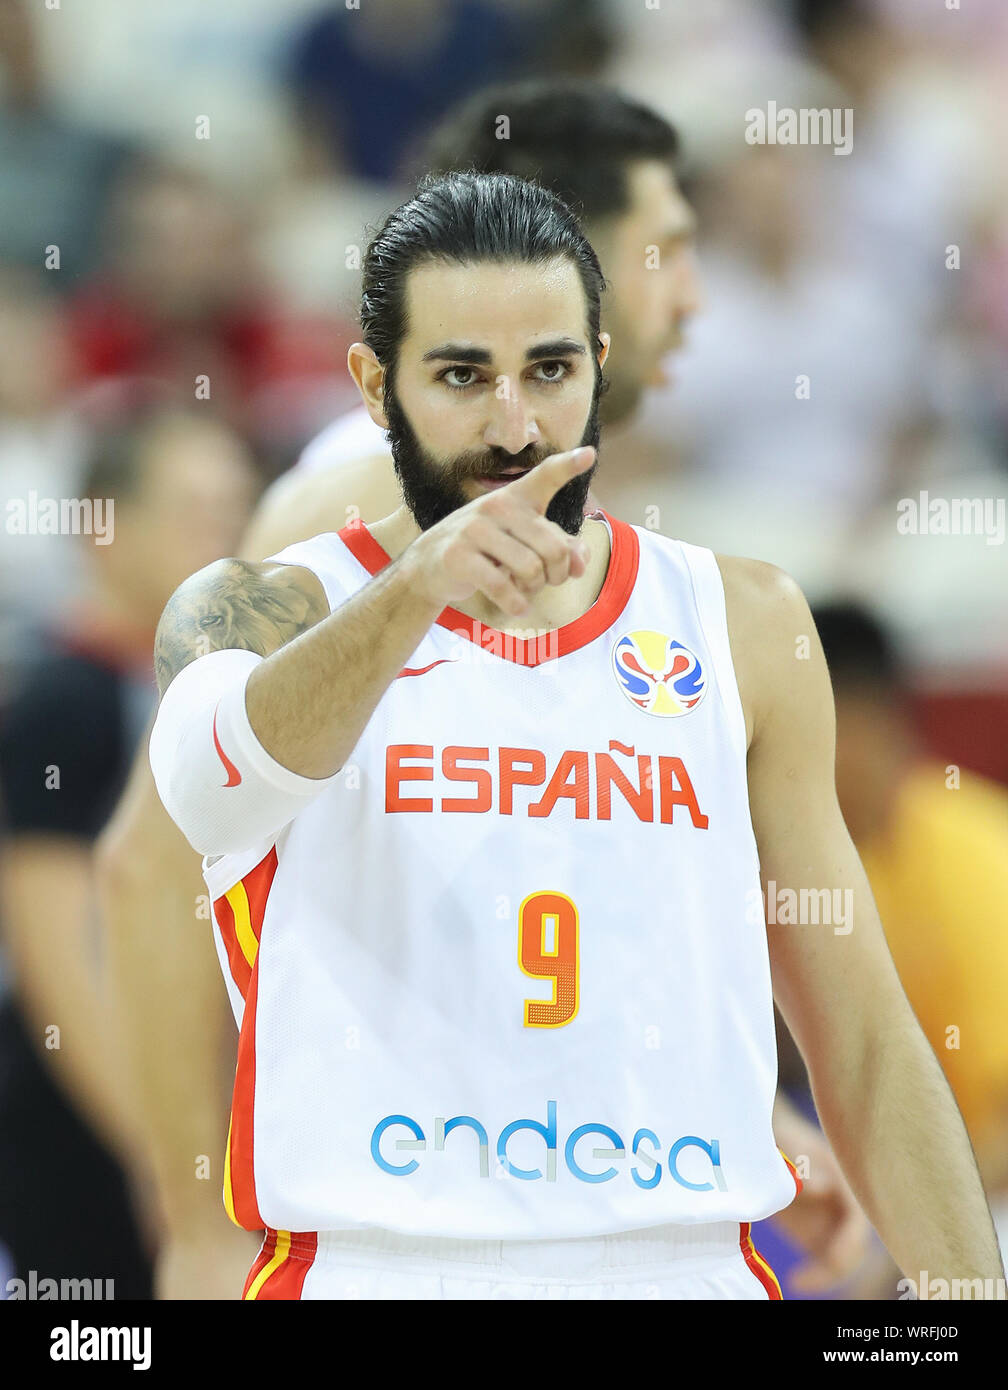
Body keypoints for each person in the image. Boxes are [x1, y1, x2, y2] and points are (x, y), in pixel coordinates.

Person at [147, 172, 1003, 1299]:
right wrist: (416, 591)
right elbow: (210, 795)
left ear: (599, 361)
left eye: (549, 370)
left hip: (683, 1265)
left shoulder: (742, 622)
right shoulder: (263, 606)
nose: (515, 427)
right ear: (372, 384)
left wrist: (961, 1300)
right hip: (383, 1270)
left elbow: (868, 1042)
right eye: (462, 376)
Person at [0, 404, 256, 1296]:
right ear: (105, 528)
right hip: (90, 1135)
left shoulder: (232, 694)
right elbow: (61, 960)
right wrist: (166, 1155)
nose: (225, 537)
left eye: (237, 511)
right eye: (196, 511)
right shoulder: (66, 699)